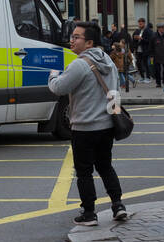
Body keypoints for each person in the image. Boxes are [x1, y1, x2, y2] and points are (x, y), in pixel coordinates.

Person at [49, 22, 127, 226]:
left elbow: (59, 88)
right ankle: (118, 205)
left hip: (84, 127)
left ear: (89, 42)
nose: (71, 40)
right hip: (106, 126)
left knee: (84, 171)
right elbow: (115, 91)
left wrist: (53, 76)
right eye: (72, 36)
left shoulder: (80, 64)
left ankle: (89, 213)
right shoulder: (108, 62)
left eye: (76, 37)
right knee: (105, 166)